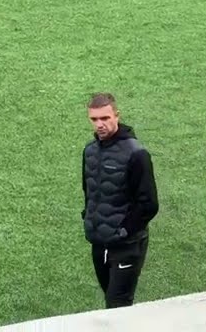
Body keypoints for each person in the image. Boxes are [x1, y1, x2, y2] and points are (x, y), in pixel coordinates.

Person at [82, 93, 159, 309]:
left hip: (127, 245)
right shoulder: (90, 151)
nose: (100, 124)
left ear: (117, 115)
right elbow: (89, 190)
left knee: (118, 305)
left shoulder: (137, 154)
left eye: (105, 118)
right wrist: (88, 219)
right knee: (111, 300)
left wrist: (123, 230)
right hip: (99, 242)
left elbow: (149, 204)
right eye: (94, 119)